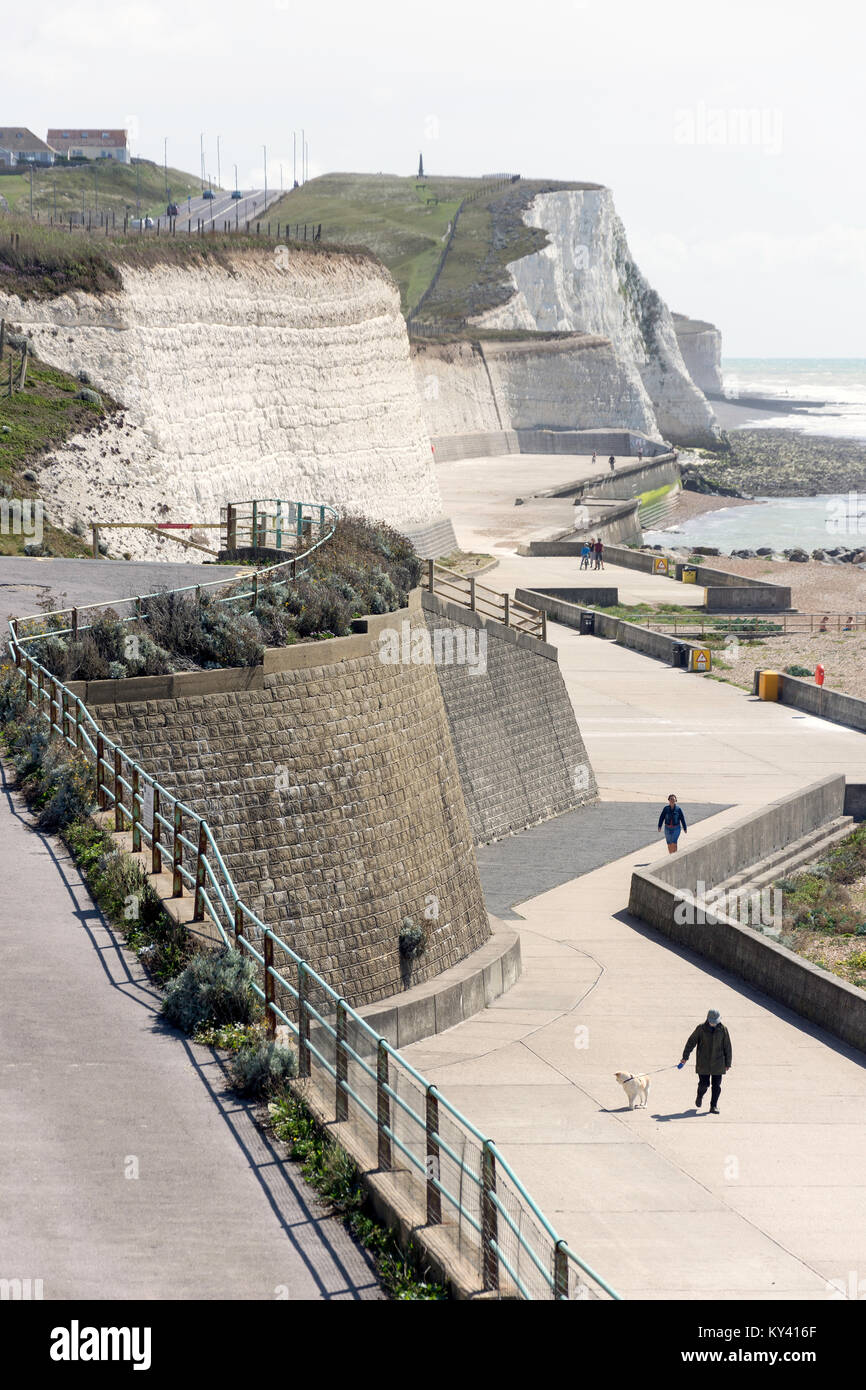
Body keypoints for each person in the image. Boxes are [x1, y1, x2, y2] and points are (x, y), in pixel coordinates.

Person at [680, 1009, 732, 1114]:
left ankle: (713, 1106)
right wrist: (685, 1057)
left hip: (718, 1062)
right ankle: (700, 1095)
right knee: (704, 1084)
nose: (713, 1023)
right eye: (711, 1021)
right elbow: (691, 1042)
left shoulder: (723, 1030)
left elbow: (727, 1046)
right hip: (703, 1062)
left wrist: (728, 1063)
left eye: (714, 1021)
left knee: (716, 1086)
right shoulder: (701, 1029)